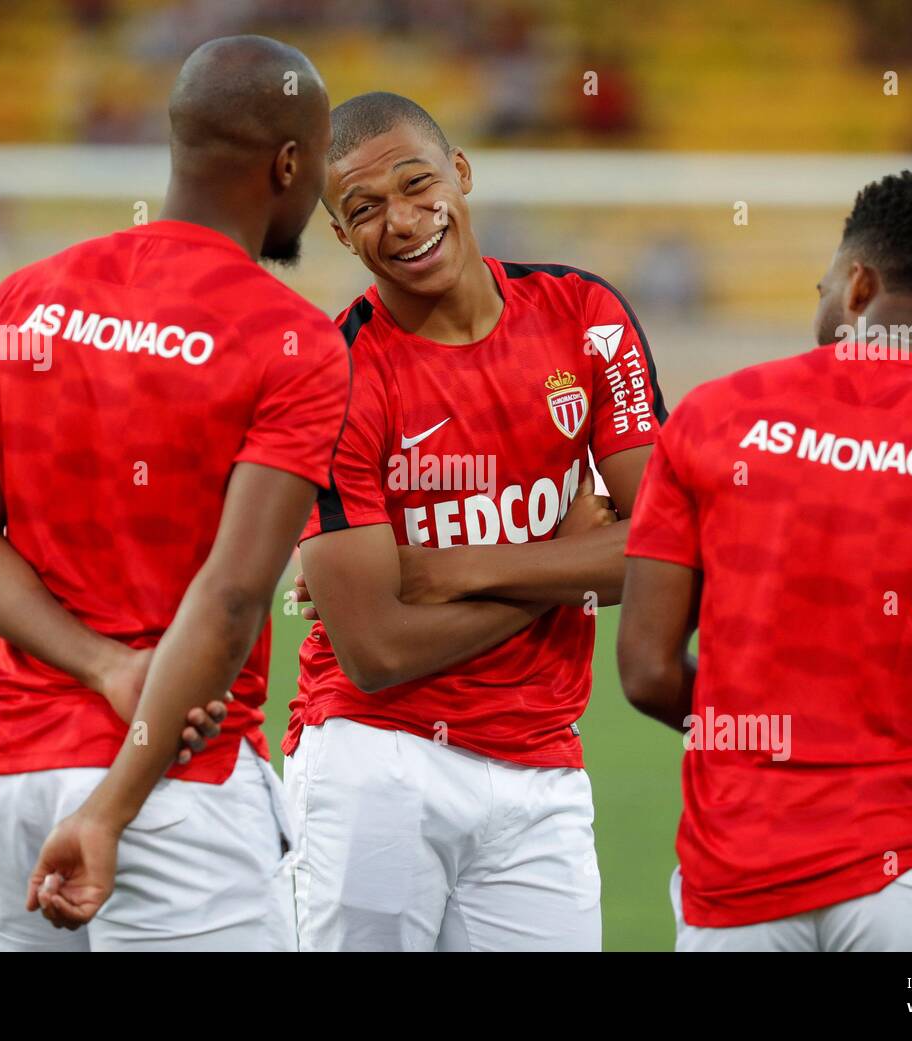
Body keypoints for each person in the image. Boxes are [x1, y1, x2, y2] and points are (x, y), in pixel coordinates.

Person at [0, 35, 348, 951]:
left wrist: (96, 663)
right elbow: (234, 593)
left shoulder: (17, 301)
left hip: (3, 782)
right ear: (287, 162)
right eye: (317, 161)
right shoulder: (293, 340)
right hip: (169, 790)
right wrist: (112, 805)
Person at [618, 170, 912, 952]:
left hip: (735, 879)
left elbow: (646, 671)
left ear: (859, 285)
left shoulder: (716, 415)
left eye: (823, 285)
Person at [285, 92, 665, 951]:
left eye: (418, 185)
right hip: (374, 758)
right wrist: (569, 562)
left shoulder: (584, 315)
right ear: (343, 237)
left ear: (460, 173)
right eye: (365, 209)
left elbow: (671, 543)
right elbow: (376, 652)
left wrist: (459, 567)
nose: (404, 221)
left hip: (544, 766)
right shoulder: (333, 374)